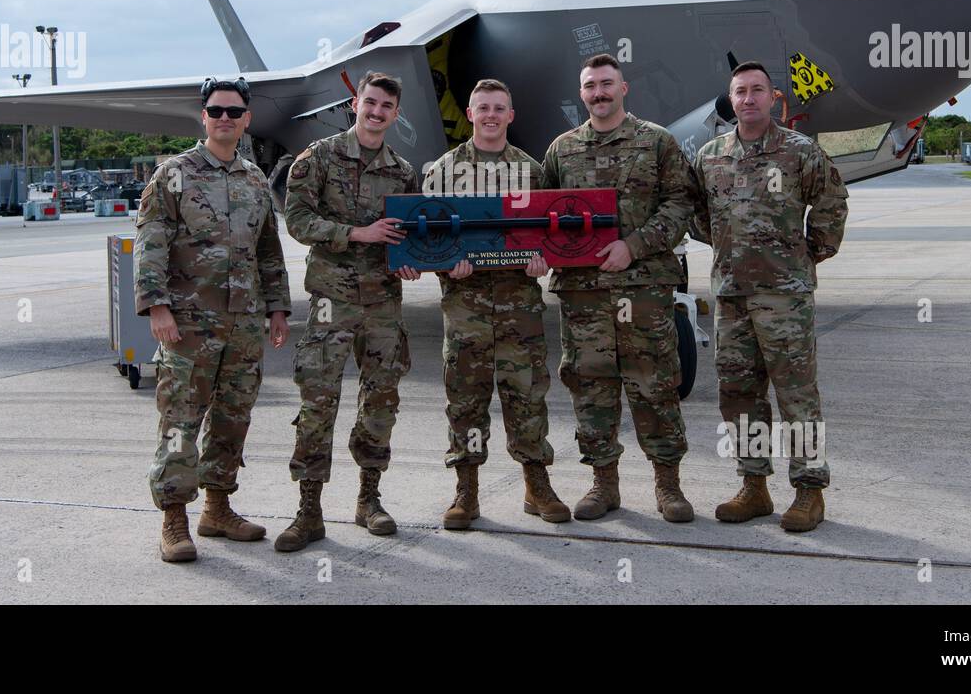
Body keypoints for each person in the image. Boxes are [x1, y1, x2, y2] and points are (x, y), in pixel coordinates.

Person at [135, 76, 291, 563]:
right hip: (187, 322)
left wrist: (278, 307)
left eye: (234, 111)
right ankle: (174, 518)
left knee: (233, 417)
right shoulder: (173, 174)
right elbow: (151, 240)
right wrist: (156, 306)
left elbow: (269, 249)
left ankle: (218, 508)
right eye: (216, 110)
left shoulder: (255, 179)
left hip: (243, 323)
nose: (225, 118)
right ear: (203, 117)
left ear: (247, 119)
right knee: (181, 419)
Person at [689, 61, 848, 532]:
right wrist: (726, 247)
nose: (749, 99)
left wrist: (807, 255)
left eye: (758, 90)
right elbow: (699, 214)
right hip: (732, 295)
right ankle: (754, 485)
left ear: (772, 97)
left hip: (785, 297)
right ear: (731, 100)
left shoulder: (801, 152)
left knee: (796, 394)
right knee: (739, 394)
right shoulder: (712, 155)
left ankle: (808, 490)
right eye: (740, 92)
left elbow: (832, 204)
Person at [541, 54, 695, 523]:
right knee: (590, 387)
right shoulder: (562, 149)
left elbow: (680, 204)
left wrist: (635, 245)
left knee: (655, 386)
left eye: (607, 84)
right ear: (582, 93)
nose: (599, 93)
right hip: (583, 294)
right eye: (590, 86)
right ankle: (603, 484)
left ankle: (668, 486)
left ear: (623, 88)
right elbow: (543, 217)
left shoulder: (656, 142)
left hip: (643, 289)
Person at [276, 71, 420, 552]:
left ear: (396, 115)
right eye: (370, 102)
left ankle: (369, 499)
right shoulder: (318, 158)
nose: (377, 112)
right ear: (355, 102)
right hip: (331, 302)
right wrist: (357, 234)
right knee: (318, 403)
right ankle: (309, 510)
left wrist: (409, 264)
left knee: (380, 403)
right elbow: (296, 219)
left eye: (386, 107)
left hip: (383, 303)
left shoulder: (402, 171)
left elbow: (411, 234)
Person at [433, 79, 570, 530]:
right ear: (470, 114)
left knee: (527, 395)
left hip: (519, 307)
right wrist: (445, 265)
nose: (491, 115)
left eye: (499, 108)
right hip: (465, 308)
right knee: (466, 399)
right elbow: (427, 238)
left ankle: (537, 484)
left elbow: (548, 232)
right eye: (482, 108)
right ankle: (466, 491)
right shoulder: (442, 171)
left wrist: (542, 261)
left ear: (511, 116)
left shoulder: (532, 171)